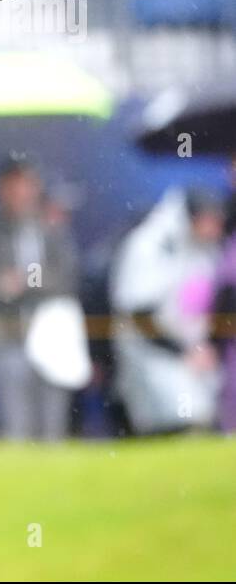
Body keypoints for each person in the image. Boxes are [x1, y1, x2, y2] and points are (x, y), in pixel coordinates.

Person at [0, 156, 81, 441]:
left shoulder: (52, 230)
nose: (19, 193)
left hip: (51, 335)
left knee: (52, 424)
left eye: (25, 185)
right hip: (7, 335)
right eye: (12, 186)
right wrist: (7, 286)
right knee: (15, 424)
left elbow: (67, 277)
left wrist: (25, 283)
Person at [109, 186, 225, 435]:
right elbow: (139, 314)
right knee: (176, 420)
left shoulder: (203, 251)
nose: (214, 230)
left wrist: (202, 348)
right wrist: (181, 352)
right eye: (209, 221)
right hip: (152, 353)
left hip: (189, 354)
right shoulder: (151, 245)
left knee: (200, 418)